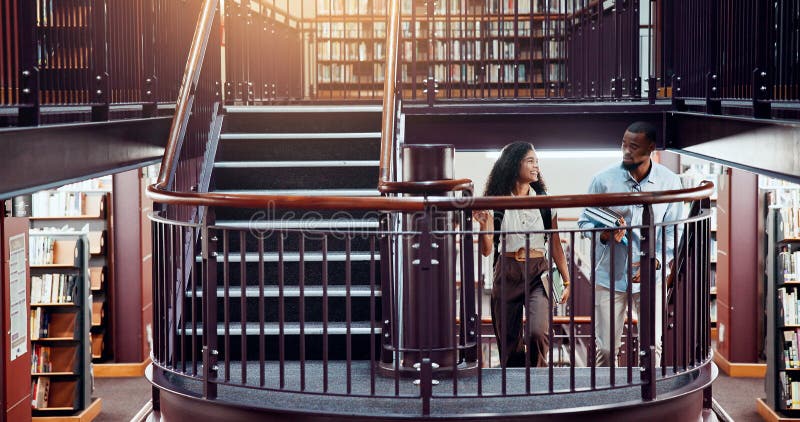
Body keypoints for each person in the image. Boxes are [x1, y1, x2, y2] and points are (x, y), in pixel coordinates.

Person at [577, 121, 683, 368]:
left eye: (633, 146)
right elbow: (584, 223)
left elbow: (674, 230)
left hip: (649, 277)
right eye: (623, 144)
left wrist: (654, 260)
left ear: (651, 148)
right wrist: (603, 234)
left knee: (652, 345)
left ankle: (648, 399)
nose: (626, 151)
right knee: (605, 349)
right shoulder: (602, 181)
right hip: (608, 276)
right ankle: (609, 400)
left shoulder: (670, 183)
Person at [473, 141, 572, 368]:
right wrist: (484, 226)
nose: (536, 166)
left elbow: (555, 244)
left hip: (539, 271)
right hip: (507, 270)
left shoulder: (545, 202)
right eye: (530, 161)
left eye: (537, 162)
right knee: (509, 341)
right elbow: (487, 250)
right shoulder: (496, 201)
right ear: (513, 164)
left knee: (538, 332)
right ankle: (515, 387)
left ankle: (536, 381)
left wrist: (566, 279)